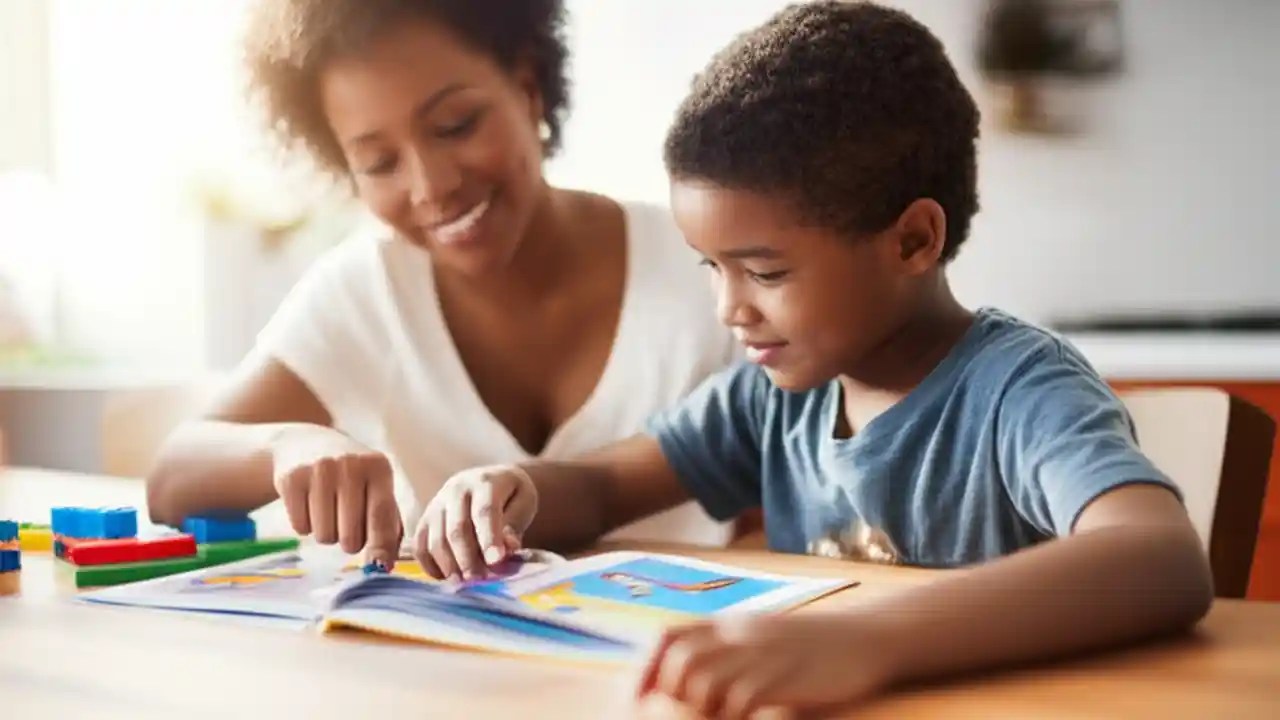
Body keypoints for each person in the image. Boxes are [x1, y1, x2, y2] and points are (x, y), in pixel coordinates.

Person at [415, 2, 1213, 716]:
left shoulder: (1018, 390)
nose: (731, 308)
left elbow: (1161, 557)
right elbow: (598, 489)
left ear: (912, 240)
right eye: (713, 268)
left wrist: (860, 642)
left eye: (765, 273)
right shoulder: (774, 398)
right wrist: (508, 490)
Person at [145, 0, 737, 567]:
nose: (430, 186)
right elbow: (172, 480)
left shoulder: (715, 267)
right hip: (452, 666)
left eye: (456, 125)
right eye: (380, 163)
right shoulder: (367, 290)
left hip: (689, 658)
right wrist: (284, 447)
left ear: (528, 88)